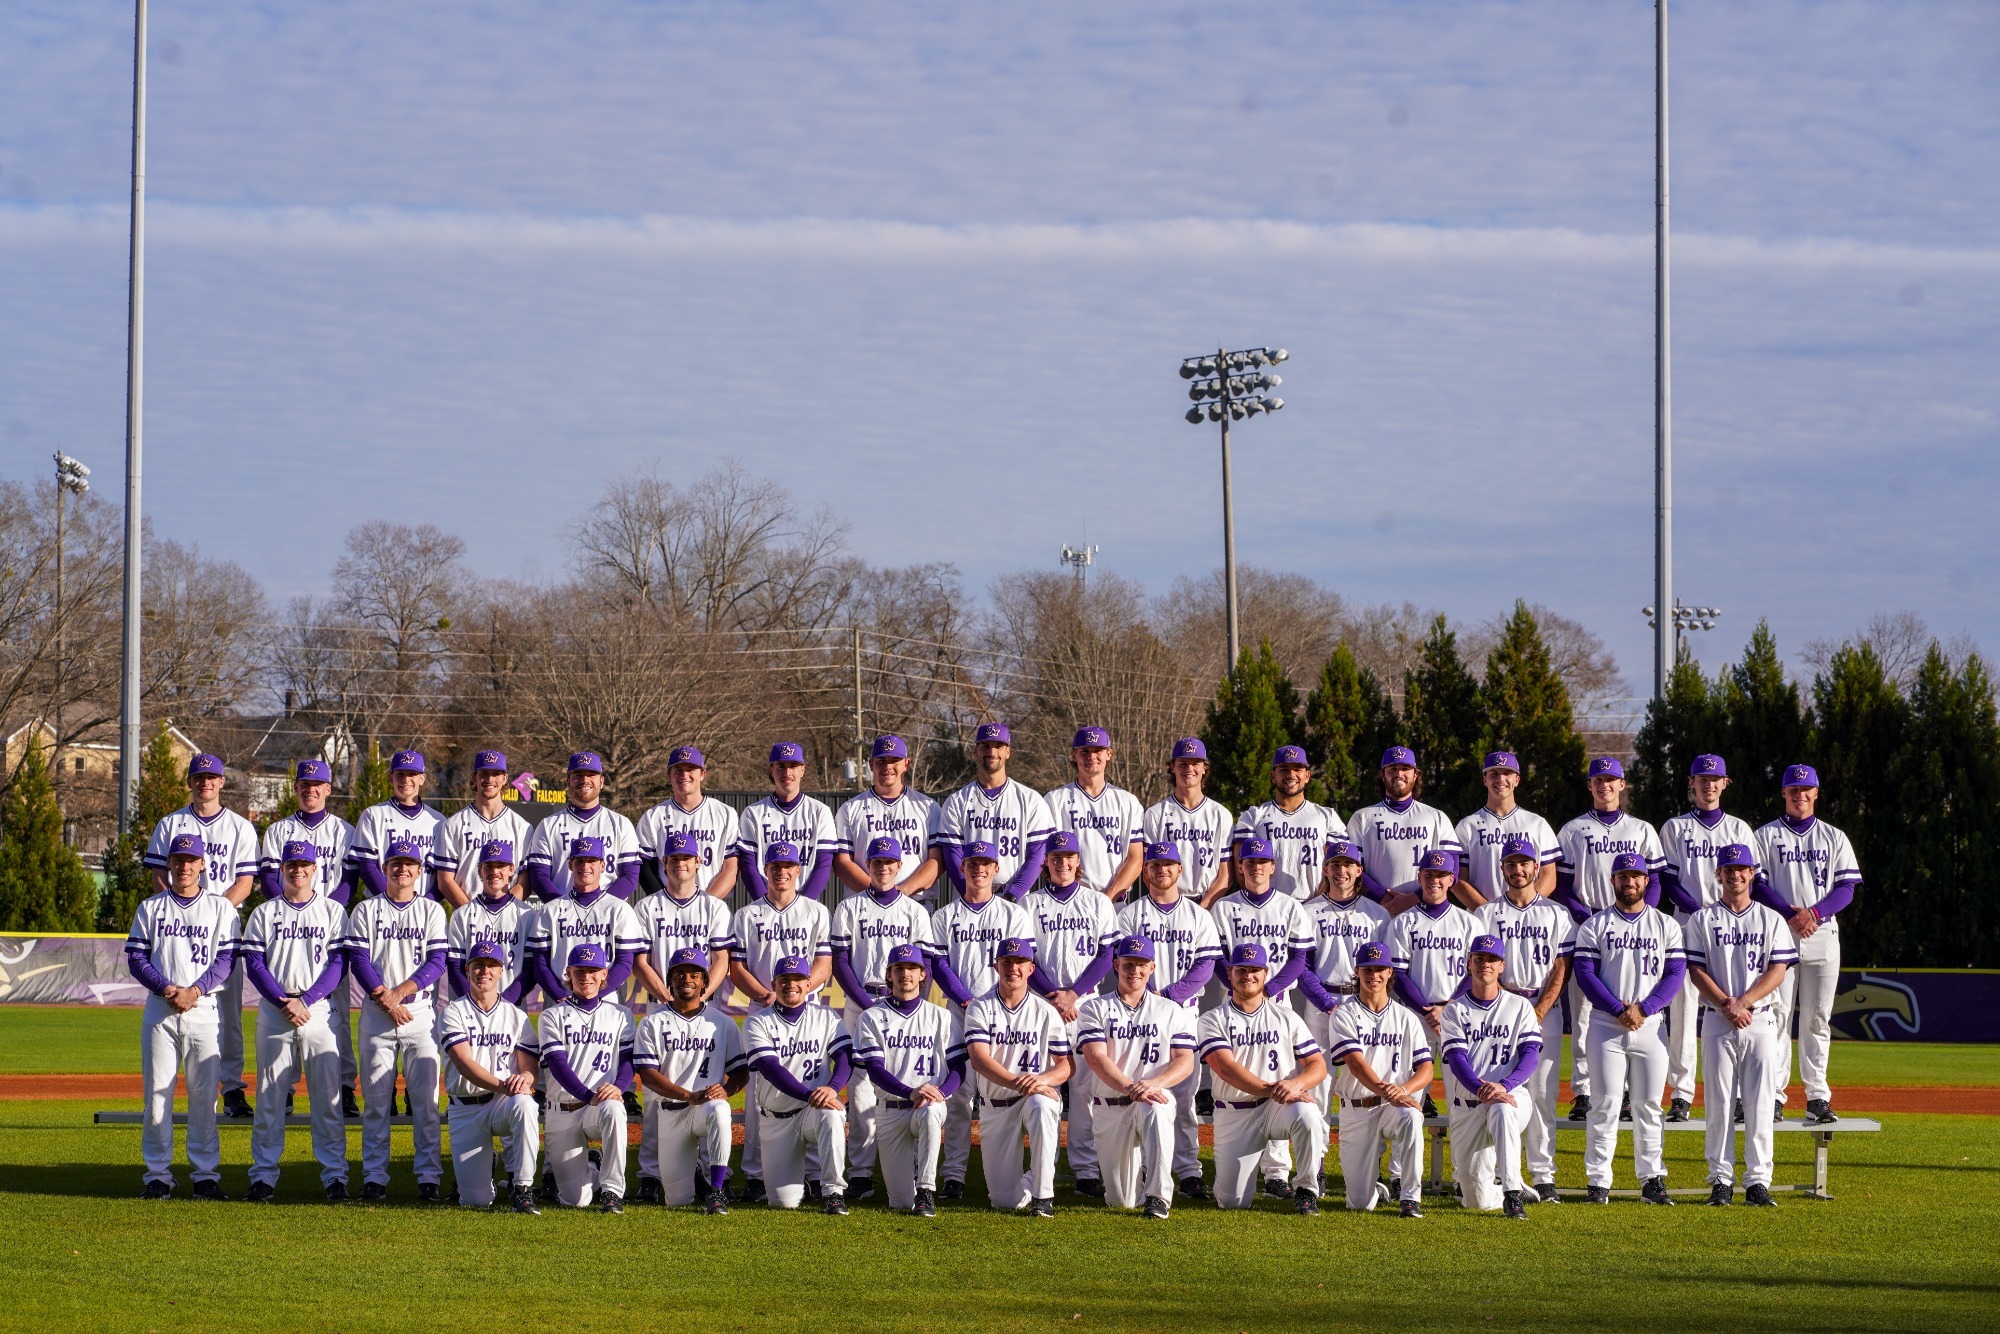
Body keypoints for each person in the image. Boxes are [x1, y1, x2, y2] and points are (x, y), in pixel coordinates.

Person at [830, 835, 950, 1202]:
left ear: (900, 867)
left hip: (904, 999)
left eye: (890, 863)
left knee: (908, 1073)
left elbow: (926, 964)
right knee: (862, 1088)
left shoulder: (915, 911)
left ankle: (917, 1165)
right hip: (861, 999)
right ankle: (862, 1173)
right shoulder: (849, 907)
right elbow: (840, 962)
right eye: (877, 862)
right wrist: (867, 1004)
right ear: (868, 866)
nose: (883, 868)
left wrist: (912, 1000)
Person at [144, 752, 259, 1118]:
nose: (205, 782)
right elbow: (159, 875)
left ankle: (233, 1088)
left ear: (222, 782)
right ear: (190, 782)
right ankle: (176, 1086)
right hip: (177, 928)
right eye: (199, 777)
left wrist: (213, 911)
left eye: (212, 777)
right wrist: (187, 907)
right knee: (175, 998)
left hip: (224, 926)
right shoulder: (170, 824)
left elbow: (245, 882)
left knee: (229, 1012)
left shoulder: (240, 826)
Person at [126, 833, 240, 1199]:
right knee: (157, 1096)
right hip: (161, 1010)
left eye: (192, 859)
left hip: (203, 1009)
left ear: (203, 864)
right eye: (179, 859)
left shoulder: (221, 908)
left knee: (204, 1097)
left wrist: (195, 990)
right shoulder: (151, 907)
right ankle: (157, 1174)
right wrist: (166, 988)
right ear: (170, 863)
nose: (185, 865)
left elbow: (226, 960)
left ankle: (205, 1174)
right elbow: (136, 958)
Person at [1567, 852, 1685, 1205]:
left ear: (1647, 881)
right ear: (1612, 881)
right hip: (1606, 1025)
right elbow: (1585, 975)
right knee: (1603, 1105)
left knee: (1649, 1106)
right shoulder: (1595, 925)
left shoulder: (1666, 924)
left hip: (1650, 1026)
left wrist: (1645, 1008)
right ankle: (1598, 1182)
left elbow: (1675, 974)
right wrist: (1619, 1009)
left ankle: (1652, 1180)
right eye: (1623, 876)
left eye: (1636, 876)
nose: (1629, 882)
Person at [1553, 756, 1667, 1121]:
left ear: (1622, 785)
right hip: (1588, 926)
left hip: (1634, 929)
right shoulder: (1572, 830)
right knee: (1585, 1011)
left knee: (1637, 1000)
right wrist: (1592, 919)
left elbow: (1658, 881)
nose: (1604, 785)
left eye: (1611, 780)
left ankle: (1633, 1092)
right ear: (1590, 786)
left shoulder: (1642, 829)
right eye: (1598, 780)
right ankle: (1584, 1091)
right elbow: (1563, 886)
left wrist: (1639, 916)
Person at [1686, 844, 1797, 1207]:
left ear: (1752, 874)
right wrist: (1726, 1004)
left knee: (1760, 1104)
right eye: (1728, 869)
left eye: (1741, 869)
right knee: (1718, 1103)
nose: (1735, 875)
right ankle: (1720, 1179)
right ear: (1717, 874)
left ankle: (1757, 1181)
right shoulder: (1702, 919)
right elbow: (1696, 969)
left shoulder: (1770, 919)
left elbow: (1778, 970)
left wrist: (1743, 1002)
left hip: (1760, 1019)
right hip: (1718, 1019)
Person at [339, 837, 449, 1202]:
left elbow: (436, 963)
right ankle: (374, 1177)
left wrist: (398, 994)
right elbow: (359, 960)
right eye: (395, 864)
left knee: (426, 1105)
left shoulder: (432, 911)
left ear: (420, 871)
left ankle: (429, 1177)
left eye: (409, 864)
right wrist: (385, 998)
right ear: (385, 869)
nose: (402, 869)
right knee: (375, 1104)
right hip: (376, 1014)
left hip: (418, 1013)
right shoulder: (366, 910)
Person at [240, 841, 349, 1203]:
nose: (298, 869)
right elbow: (254, 965)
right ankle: (264, 1176)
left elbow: (337, 965)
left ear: (316, 869)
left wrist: (306, 1000)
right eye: (292, 864)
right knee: (270, 1097)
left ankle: (335, 1175)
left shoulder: (333, 911)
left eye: (304, 864)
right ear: (282, 868)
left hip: (317, 1009)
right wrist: (284, 1001)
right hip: (276, 1010)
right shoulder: (264, 912)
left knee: (327, 1098)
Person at [1210, 835, 1318, 1197]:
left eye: (1262, 862)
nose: (1256, 867)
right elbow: (1220, 959)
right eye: (1249, 862)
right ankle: (1247, 1161)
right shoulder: (1224, 908)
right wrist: (1244, 987)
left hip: (1278, 1002)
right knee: (1241, 1075)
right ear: (1239, 868)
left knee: (1284, 1081)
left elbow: (1299, 960)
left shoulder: (1289, 907)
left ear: (1273, 867)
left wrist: (1267, 990)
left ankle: (1277, 1173)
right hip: (1236, 1001)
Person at [1753, 764, 1861, 1126]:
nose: (1800, 794)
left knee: (1817, 1018)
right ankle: (1775, 1095)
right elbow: (1757, 884)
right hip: (1781, 934)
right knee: (1778, 1018)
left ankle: (1817, 1096)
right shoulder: (1765, 835)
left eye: (1806, 788)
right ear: (1783, 793)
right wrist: (1790, 913)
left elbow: (1846, 888)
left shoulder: (1834, 837)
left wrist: (1813, 912)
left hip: (1822, 934)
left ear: (1816, 792)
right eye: (1793, 788)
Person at [726, 841, 834, 1203]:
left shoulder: (816, 912)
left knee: (814, 1081)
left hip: (807, 1011)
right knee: (761, 1094)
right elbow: (736, 967)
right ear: (765, 871)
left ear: (798, 870)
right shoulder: (746, 915)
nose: (782, 872)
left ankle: (819, 1176)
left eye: (788, 866)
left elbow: (824, 964)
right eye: (775, 866)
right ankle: (756, 1174)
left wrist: (800, 990)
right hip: (764, 1010)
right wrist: (764, 994)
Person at [630, 830, 734, 1203]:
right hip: (662, 1001)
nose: (679, 864)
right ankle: (650, 1174)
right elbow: (639, 960)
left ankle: (713, 1174)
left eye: (686, 859)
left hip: (704, 1005)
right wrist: (664, 992)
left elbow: (721, 958)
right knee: (658, 1093)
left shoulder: (714, 907)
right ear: (665, 864)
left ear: (697, 863)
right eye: (673, 859)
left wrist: (702, 994)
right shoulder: (647, 907)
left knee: (707, 1086)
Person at [1115, 842, 1223, 1199]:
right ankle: (1148, 1165)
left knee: (1184, 1094)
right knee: (1143, 1087)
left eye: (1169, 865)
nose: (1162, 870)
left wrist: (1170, 995)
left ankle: (1189, 1170)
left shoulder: (1198, 916)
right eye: (1155, 865)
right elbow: (1124, 963)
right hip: (1139, 1014)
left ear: (1180, 871)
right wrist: (1151, 999)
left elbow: (1205, 966)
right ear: (1145, 872)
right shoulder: (1131, 915)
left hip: (1182, 1012)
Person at [1658, 754, 1762, 1122]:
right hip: (1688, 923)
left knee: (1731, 1007)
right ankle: (1682, 1094)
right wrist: (1698, 910)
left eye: (1715, 778)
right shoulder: (1674, 827)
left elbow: (1756, 880)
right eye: (1702, 778)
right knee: (1683, 1011)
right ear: (1692, 782)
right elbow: (1667, 879)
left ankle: (1736, 1095)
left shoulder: (1740, 829)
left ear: (1725, 782)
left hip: (1733, 927)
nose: (1709, 784)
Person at [257, 758, 361, 1114]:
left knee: (337, 1013)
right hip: (285, 926)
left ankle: (345, 1087)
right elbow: (270, 880)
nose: (310, 789)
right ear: (296, 787)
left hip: (330, 925)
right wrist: (290, 909)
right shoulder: (277, 831)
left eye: (317, 784)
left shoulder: (345, 832)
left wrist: (322, 911)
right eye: (304, 783)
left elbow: (350, 883)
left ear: (328, 789)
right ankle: (284, 1088)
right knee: (283, 1003)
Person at [1472, 836, 1573, 1201]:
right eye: (1511, 863)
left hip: (1541, 1006)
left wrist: (1541, 1009)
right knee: (1498, 1087)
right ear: (1503, 868)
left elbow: (1562, 966)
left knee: (1542, 1093)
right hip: (1497, 1009)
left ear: (1536, 868)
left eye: (1524, 863)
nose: (1518, 869)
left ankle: (1543, 1175)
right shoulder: (1484, 914)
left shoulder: (1556, 913)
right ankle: (1501, 1171)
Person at [930, 840, 1032, 1197]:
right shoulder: (943, 916)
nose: (979, 869)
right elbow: (938, 965)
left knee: (1005, 1091)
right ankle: (954, 1175)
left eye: (985, 864)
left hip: (1003, 1017)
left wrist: (990, 1003)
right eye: (972, 863)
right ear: (963, 868)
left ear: (995, 868)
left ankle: (1010, 1172)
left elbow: (1021, 966)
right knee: (958, 1095)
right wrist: (966, 999)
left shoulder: (1012, 915)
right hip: (959, 1014)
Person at [1022, 830, 1120, 1198]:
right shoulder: (1030, 905)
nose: (1063, 862)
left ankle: (1084, 1170)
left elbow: (1106, 956)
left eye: (1069, 857)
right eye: (1056, 857)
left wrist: (1073, 994)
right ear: (1045, 862)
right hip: (1042, 1003)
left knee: (1082, 1090)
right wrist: (1053, 994)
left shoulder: (1098, 903)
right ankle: (1035, 1170)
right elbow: (1025, 959)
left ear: (1079, 861)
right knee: (1038, 1083)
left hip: (1085, 1003)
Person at [1197, 944, 1330, 1213]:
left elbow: (1317, 1066)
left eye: (1255, 970)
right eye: (1241, 970)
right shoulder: (1212, 1019)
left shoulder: (1286, 1016)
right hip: (1236, 1111)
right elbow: (1225, 1068)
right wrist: (1276, 1090)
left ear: (1265, 973)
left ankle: (1306, 1189)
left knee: (1308, 1114)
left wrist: (1295, 1084)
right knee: (1232, 1202)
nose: (1248, 975)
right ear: (1230, 973)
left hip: (1277, 1107)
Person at [1074, 936, 1197, 1218]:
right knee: (1121, 1201)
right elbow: (1096, 1058)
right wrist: (1132, 1087)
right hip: (1111, 1105)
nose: (1135, 971)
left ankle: (1158, 1196)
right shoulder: (1095, 1007)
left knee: (1154, 1108)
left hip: (1153, 1094)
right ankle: (1137, 1180)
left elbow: (1185, 1061)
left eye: (1142, 965)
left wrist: (1155, 1084)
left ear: (1152, 967)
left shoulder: (1170, 1010)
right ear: (1116, 965)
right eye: (1128, 964)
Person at [632, 947, 747, 1214]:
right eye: (680, 974)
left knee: (720, 1109)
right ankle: (694, 1173)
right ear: (670, 981)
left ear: (705, 982)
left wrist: (725, 1090)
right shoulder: (652, 1022)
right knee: (677, 1200)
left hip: (704, 1107)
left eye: (695, 975)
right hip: (670, 1111)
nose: (687, 980)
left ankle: (717, 1191)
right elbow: (647, 1074)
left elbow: (741, 1073)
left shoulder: (722, 1023)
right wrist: (687, 1095)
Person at [854, 944, 966, 1217]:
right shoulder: (872, 1017)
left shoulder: (941, 1016)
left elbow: (958, 1068)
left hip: (929, 1104)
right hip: (890, 1109)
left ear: (922, 975)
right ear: (889, 975)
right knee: (901, 1202)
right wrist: (910, 1091)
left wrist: (939, 1093)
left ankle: (927, 1190)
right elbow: (874, 1069)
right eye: (899, 968)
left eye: (912, 968)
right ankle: (912, 1189)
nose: (906, 973)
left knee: (930, 1113)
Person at [1323, 941, 1432, 1217]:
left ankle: (1410, 1197)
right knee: (1359, 1203)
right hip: (1357, 1108)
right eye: (1368, 969)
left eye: (1380, 969)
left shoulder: (1407, 1017)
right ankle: (1377, 1189)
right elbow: (1356, 1065)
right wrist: (1392, 1092)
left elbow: (1427, 1070)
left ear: (1390, 972)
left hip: (1394, 1106)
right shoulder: (1343, 1015)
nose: (1374, 975)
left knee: (1410, 1116)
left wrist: (1403, 1091)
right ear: (1357, 971)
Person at [964, 938, 1072, 1216]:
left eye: (1019, 962)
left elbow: (1065, 1065)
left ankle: (1043, 1196)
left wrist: (1042, 1082)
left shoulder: (1045, 1011)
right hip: (996, 1104)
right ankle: (1032, 1179)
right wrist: (1019, 1083)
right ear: (996, 966)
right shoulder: (980, 1007)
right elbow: (979, 1059)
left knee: (1043, 1105)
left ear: (1030, 969)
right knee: (1004, 1202)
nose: (1013, 968)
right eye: (1007, 962)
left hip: (1034, 1096)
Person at [1439, 934, 1544, 1218]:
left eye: (1492, 959)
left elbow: (1531, 1054)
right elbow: (1457, 1061)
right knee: (1476, 1200)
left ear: (1501, 967)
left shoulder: (1519, 1005)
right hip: (1469, 1105)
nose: (1486, 964)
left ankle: (1512, 1193)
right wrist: (1482, 1089)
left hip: (1511, 1096)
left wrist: (1503, 1086)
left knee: (1501, 1108)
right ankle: (1507, 1188)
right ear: (1469, 963)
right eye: (1480, 958)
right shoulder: (1454, 1010)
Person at [438, 939, 542, 1213]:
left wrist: (525, 1081)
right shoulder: (453, 1012)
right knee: (477, 1201)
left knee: (525, 1104)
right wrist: (506, 1085)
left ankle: (522, 1187)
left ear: (501, 971)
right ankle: (488, 1163)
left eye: (491, 966)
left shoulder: (515, 1015)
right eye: (479, 965)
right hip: (465, 1108)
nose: (485, 971)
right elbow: (464, 1063)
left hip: (501, 1104)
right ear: (468, 969)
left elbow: (531, 1068)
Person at [743, 955, 853, 1213]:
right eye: (784, 979)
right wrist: (811, 1094)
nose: (790, 984)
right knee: (784, 1202)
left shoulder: (827, 1017)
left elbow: (845, 1057)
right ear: (774, 983)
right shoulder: (757, 1021)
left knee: (832, 1113)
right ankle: (802, 1179)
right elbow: (770, 1069)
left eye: (798, 979)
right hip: (778, 1116)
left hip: (813, 1111)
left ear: (808, 984)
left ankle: (833, 1192)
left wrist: (833, 1089)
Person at [1295, 840, 1391, 1124]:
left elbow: (1384, 969)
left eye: (1348, 864)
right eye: (1335, 864)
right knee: (1319, 1080)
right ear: (1325, 869)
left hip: (1363, 1005)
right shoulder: (1307, 911)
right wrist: (1326, 1005)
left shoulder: (1377, 914)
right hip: (1322, 1003)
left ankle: (1369, 1155)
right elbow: (1302, 966)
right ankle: (1319, 1160)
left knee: (1365, 1079)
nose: (1341, 871)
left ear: (1359, 870)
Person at [537, 942, 635, 1211]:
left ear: (604, 973)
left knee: (615, 1108)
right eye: (579, 971)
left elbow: (628, 1060)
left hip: (599, 1107)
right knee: (576, 1201)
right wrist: (588, 1096)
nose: (586, 977)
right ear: (568, 972)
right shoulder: (551, 1016)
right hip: (563, 1108)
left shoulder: (621, 1015)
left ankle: (612, 1191)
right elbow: (557, 1064)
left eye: (593, 970)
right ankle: (593, 1163)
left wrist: (618, 1087)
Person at [1385, 848, 1481, 1116]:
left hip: (1458, 1015)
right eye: (1429, 874)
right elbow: (1398, 975)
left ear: (1452, 879)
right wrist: (1427, 1011)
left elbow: (1475, 973)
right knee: (1409, 1100)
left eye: (1441, 875)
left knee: (1463, 1101)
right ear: (1420, 877)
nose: (1434, 881)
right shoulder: (1403, 922)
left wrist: (1448, 1007)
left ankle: (1464, 1159)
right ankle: (1402, 1159)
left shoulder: (1469, 923)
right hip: (1416, 1017)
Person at [935, 722, 1056, 902]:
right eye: (985, 746)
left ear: (1008, 752)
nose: (992, 752)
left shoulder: (1030, 799)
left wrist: (1013, 895)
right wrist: (972, 897)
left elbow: (1037, 855)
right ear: (976, 752)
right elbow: (953, 857)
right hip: (968, 900)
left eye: (998, 746)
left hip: (1015, 902)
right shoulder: (957, 801)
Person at [524, 837, 643, 1004]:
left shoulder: (619, 909)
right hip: (560, 1000)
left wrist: (594, 997)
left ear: (602, 865)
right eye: (579, 860)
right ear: (570, 865)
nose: (585, 866)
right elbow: (540, 964)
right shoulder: (550, 910)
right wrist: (560, 995)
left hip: (606, 1001)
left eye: (591, 860)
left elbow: (625, 963)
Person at [1345, 746, 1464, 911]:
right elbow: (1349, 867)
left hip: (1424, 910)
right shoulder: (1362, 817)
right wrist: (1383, 898)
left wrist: (1414, 898)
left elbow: (1453, 870)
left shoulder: (1436, 817)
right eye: (1392, 768)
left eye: (1405, 769)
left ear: (1415, 775)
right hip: (1375, 910)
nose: (1399, 774)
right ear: (1382, 774)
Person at [1228, 745, 1344, 905]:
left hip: (1315, 904)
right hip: (1268, 907)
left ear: (1307, 776)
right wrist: (1265, 903)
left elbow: (1337, 866)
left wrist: (1315, 903)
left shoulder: (1327, 816)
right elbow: (1240, 868)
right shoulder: (1253, 816)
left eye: (1297, 769)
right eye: (1283, 769)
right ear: (1273, 776)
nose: (1291, 775)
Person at [833, 735, 943, 900]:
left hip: (915, 906)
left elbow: (937, 861)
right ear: (871, 764)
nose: (888, 766)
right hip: (865, 906)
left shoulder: (928, 807)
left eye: (894, 760)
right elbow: (842, 863)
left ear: (906, 763)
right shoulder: (849, 809)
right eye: (881, 760)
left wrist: (901, 892)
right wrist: (878, 893)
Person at [1043, 726, 1146, 899]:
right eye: (1084, 751)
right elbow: (1045, 856)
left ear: (1109, 754)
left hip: (1115, 902)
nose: (1091, 756)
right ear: (1074, 755)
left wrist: (1108, 898)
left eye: (1098, 750)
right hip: (1069, 901)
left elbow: (1136, 858)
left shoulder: (1127, 801)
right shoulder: (1054, 800)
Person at [524, 752, 642, 902]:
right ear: (568, 781)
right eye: (578, 775)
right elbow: (539, 877)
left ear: (601, 781)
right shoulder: (548, 825)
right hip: (562, 915)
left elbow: (630, 876)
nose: (584, 780)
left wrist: (600, 908)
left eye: (591, 774)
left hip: (609, 916)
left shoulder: (621, 824)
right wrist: (564, 909)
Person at [732, 742, 839, 901]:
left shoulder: (820, 812)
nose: (787, 772)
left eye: (793, 765)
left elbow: (823, 865)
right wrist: (766, 904)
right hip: (764, 907)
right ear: (771, 770)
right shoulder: (753, 813)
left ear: (802, 770)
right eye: (781, 766)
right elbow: (749, 866)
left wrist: (802, 906)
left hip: (806, 908)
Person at [1453, 751, 1559, 907]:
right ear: (1485, 779)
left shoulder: (1537, 824)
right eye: (1494, 773)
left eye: (1507, 773)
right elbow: (1457, 880)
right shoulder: (1468, 826)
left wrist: (1524, 908)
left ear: (1517, 780)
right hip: (1482, 919)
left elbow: (1549, 877)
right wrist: (1488, 912)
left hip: (1528, 919)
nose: (1500, 779)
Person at [633, 746, 740, 900]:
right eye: (678, 770)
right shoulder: (652, 817)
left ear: (702, 774)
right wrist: (665, 903)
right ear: (669, 775)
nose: (684, 775)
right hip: (667, 910)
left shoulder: (725, 814)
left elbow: (731, 870)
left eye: (691, 769)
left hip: (712, 907)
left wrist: (704, 905)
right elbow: (646, 871)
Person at [346, 749, 447, 907]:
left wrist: (424, 906)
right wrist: (393, 902)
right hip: (381, 908)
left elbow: (444, 874)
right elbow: (367, 868)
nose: (406, 779)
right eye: (400, 774)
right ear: (391, 777)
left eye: (412, 774)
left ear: (422, 778)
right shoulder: (373, 815)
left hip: (424, 911)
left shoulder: (438, 821)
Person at [1143, 737, 1235, 905]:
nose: (1189, 769)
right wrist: (1170, 905)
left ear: (1204, 768)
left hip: (1209, 902)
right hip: (1167, 902)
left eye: (1195, 763)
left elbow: (1226, 875)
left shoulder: (1220, 814)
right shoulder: (1155, 814)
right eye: (1183, 763)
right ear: (1172, 767)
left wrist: (1203, 909)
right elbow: (1148, 872)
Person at [434, 750, 532, 907]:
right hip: (466, 918)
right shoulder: (453, 825)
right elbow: (445, 880)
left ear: (505, 778)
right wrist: (471, 915)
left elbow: (525, 880)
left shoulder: (522, 827)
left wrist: (504, 911)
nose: (489, 779)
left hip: (508, 920)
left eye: (496, 773)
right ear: (474, 777)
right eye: (484, 773)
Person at [445, 840, 530, 1005]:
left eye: (501, 865)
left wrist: (502, 1005)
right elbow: (456, 967)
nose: (495, 871)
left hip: (512, 1008)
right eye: (489, 866)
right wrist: (476, 1003)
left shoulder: (527, 915)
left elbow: (530, 970)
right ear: (479, 870)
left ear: (511, 869)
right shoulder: (462, 915)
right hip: (469, 1008)